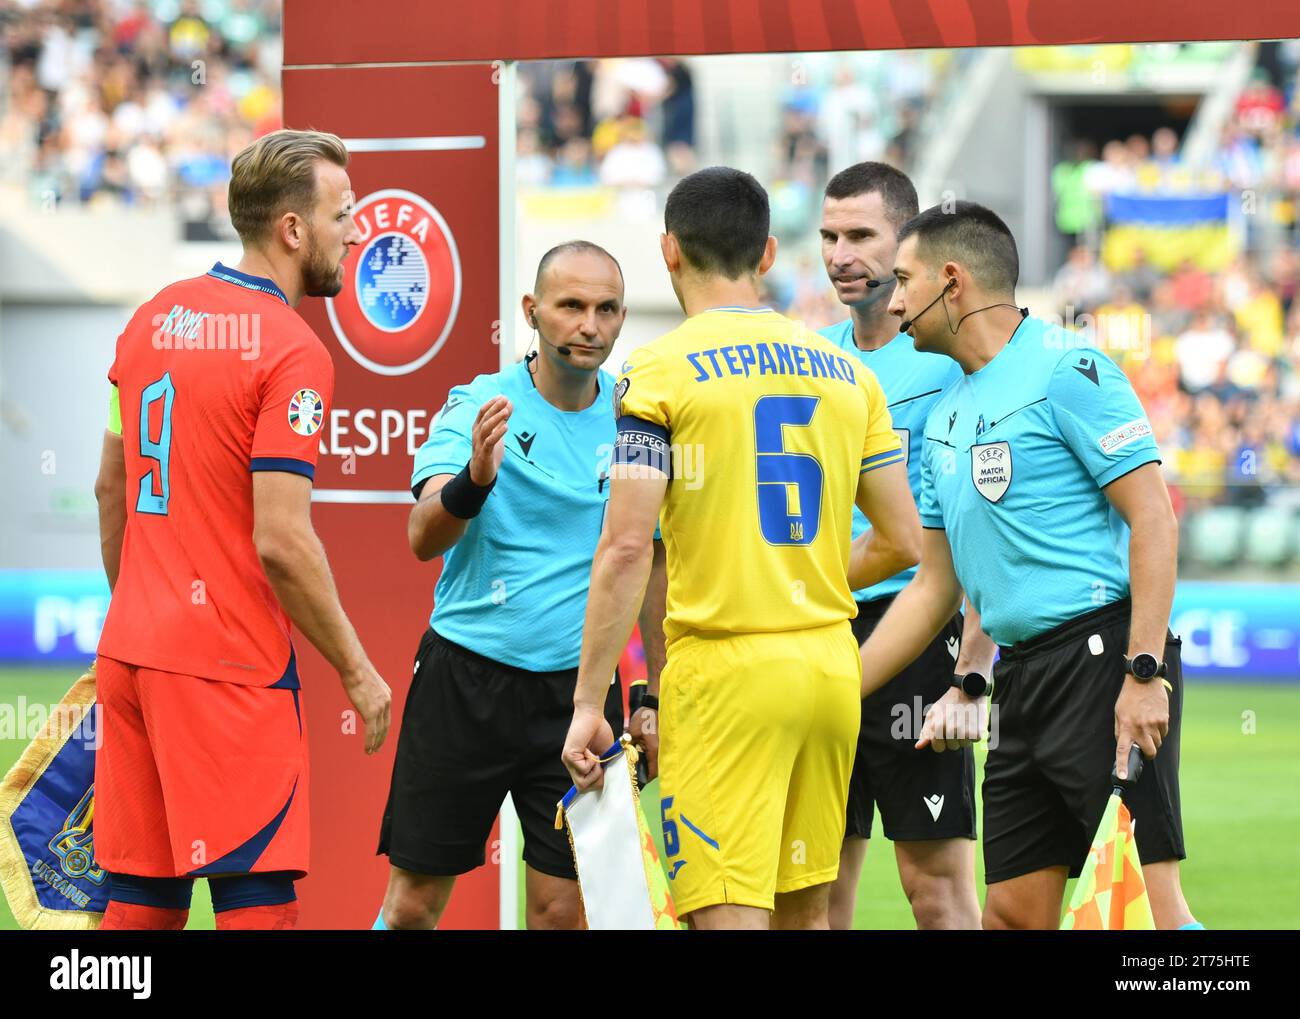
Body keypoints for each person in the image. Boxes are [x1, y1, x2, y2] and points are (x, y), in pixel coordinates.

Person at [561, 166, 922, 931]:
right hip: (829, 670)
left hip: (725, 677)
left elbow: (626, 546)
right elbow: (902, 539)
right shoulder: (849, 373)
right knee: (807, 918)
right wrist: (800, 578)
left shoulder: (655, 372)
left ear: (669, 250)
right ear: (767, 254)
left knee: (726, 915)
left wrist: (590, 702)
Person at [862, 200, 1198, 930]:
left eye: (904, 281)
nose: (892, 303)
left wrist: (1144, 674)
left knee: (1147, 913)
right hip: (1018, 680)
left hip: (1101, 661)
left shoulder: (1067, 368)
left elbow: (1153, 519)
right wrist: (853, 685)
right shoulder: (943, 417)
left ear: (952, 281)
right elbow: (939, 585)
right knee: (1011, 916)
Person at [93, 129, 392, 931]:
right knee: (258, 906)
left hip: (130, 653)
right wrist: (358, 672)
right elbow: (281, 540)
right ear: (293, 229)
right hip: (227, 666)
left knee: (141, 905)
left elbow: (108, 488)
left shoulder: (150, 319)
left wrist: (142, 619)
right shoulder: (292, 349)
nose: (355, 232)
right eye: (343, 214)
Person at [376, 241, 630, 930]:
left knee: (562, 912)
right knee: (412, 907)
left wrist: (653, 698)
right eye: (571, 305)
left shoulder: (635, 417)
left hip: (577, 695)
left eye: (606, 309)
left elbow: (648, 559)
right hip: (465, 682)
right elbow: (423, 535)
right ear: (531, 311)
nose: (590, 325)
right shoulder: (480, 403)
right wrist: (475, 480)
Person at [816, 162, 993, 930]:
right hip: (819, 628)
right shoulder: (806, 359)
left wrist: (972, 665)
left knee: (936, 888)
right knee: (816, 885)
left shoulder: (948, 360)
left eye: (861, 235)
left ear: (906, 242)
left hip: (917, 631)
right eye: (829, 236)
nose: (841, 255)